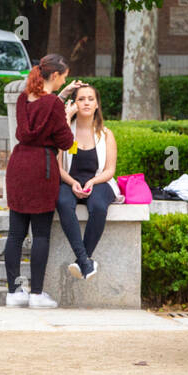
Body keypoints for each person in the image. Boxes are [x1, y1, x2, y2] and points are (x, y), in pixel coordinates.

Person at [3, 54, 72, 309]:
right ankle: (37, 293)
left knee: (15, 233)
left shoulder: (23, 98)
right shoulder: (54, 104)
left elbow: (24, 131)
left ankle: (13, 291)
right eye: (64, 76)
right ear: (55, 76)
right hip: (42, 167)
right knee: (41, 234)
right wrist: (67, 112)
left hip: (19, 165)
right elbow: (66, 141)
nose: (65, 80)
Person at [55, 81, 120, 280]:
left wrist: (92, 182)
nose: (86, 103)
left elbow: (110, 170)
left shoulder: (106, 134)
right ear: (74, 103)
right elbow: (58, 167)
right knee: (63, 203)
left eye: (91, 99)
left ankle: (82, 260)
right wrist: (72, 182)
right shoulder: (66, 133)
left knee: (99, 206)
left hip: (99, 182)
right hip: (68, 180)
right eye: (81, 99)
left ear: (97, 104)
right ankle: (85, 261)